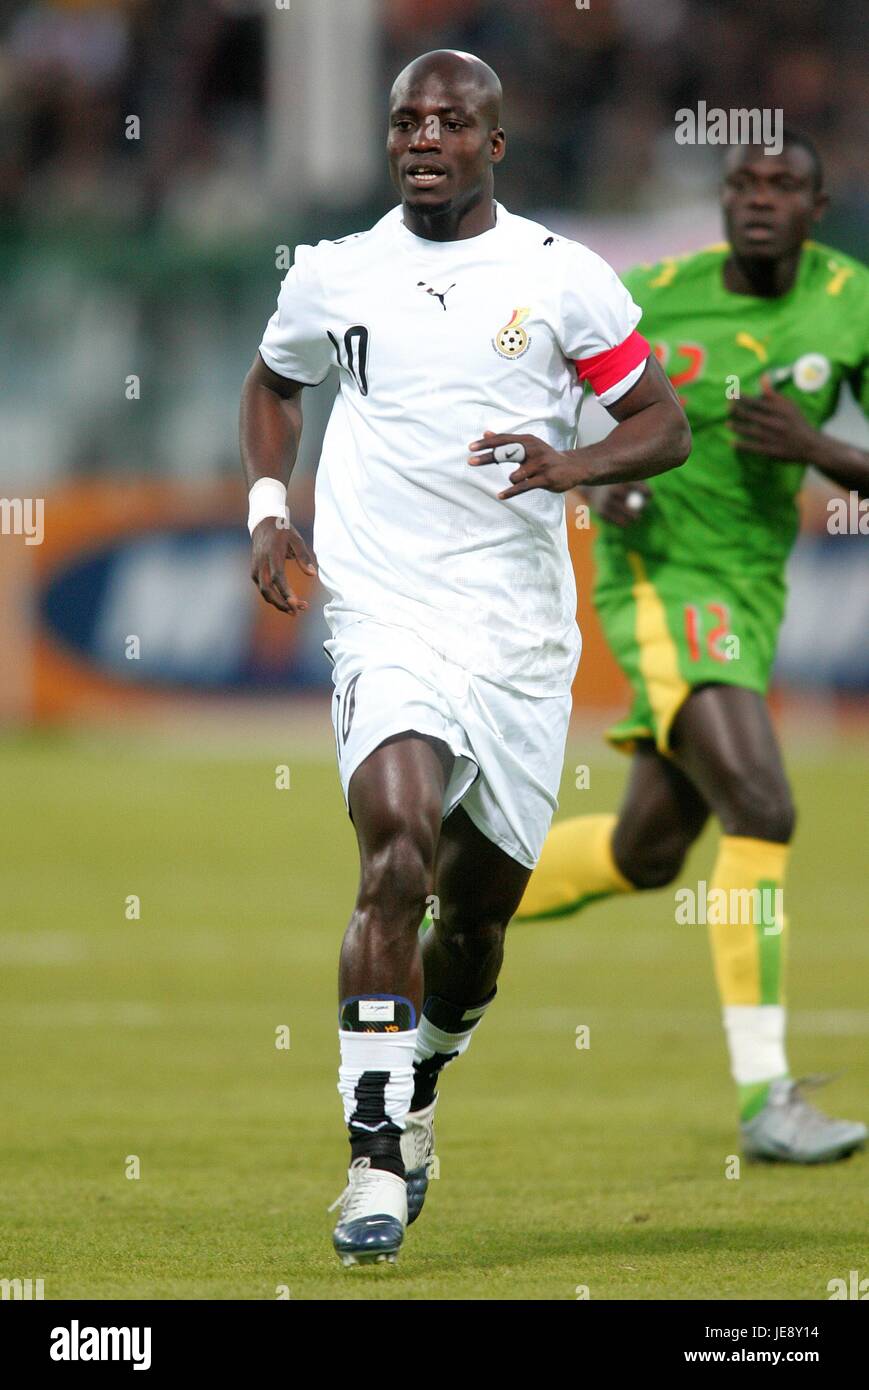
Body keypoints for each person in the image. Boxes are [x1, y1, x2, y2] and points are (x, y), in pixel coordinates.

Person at [240, 49, 689, 1266]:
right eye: (405, 120)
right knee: (393, 849)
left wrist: (570, 464)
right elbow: (272, 386)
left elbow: (661, 422)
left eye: (451, 119)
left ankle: (426, 1074)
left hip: (519, 639)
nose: (423, 135)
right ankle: (372, 1157)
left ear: (496, 142)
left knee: (475, 921)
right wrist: (270, 508)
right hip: (385, 614)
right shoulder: (336, 274)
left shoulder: (560, 280)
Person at [516, 134, 869, 1165]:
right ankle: (764, 1097)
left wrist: (817, 451)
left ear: (816, 205)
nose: (758, 201)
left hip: (751, 590)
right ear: (721, 200)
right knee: (760, 803)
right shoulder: (647, 292)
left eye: (782, 187)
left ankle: (447, 901)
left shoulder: (848, 300)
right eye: (742, 184)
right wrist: (596, 476)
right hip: (657, 577)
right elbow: (553, 395)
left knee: (645, 853)